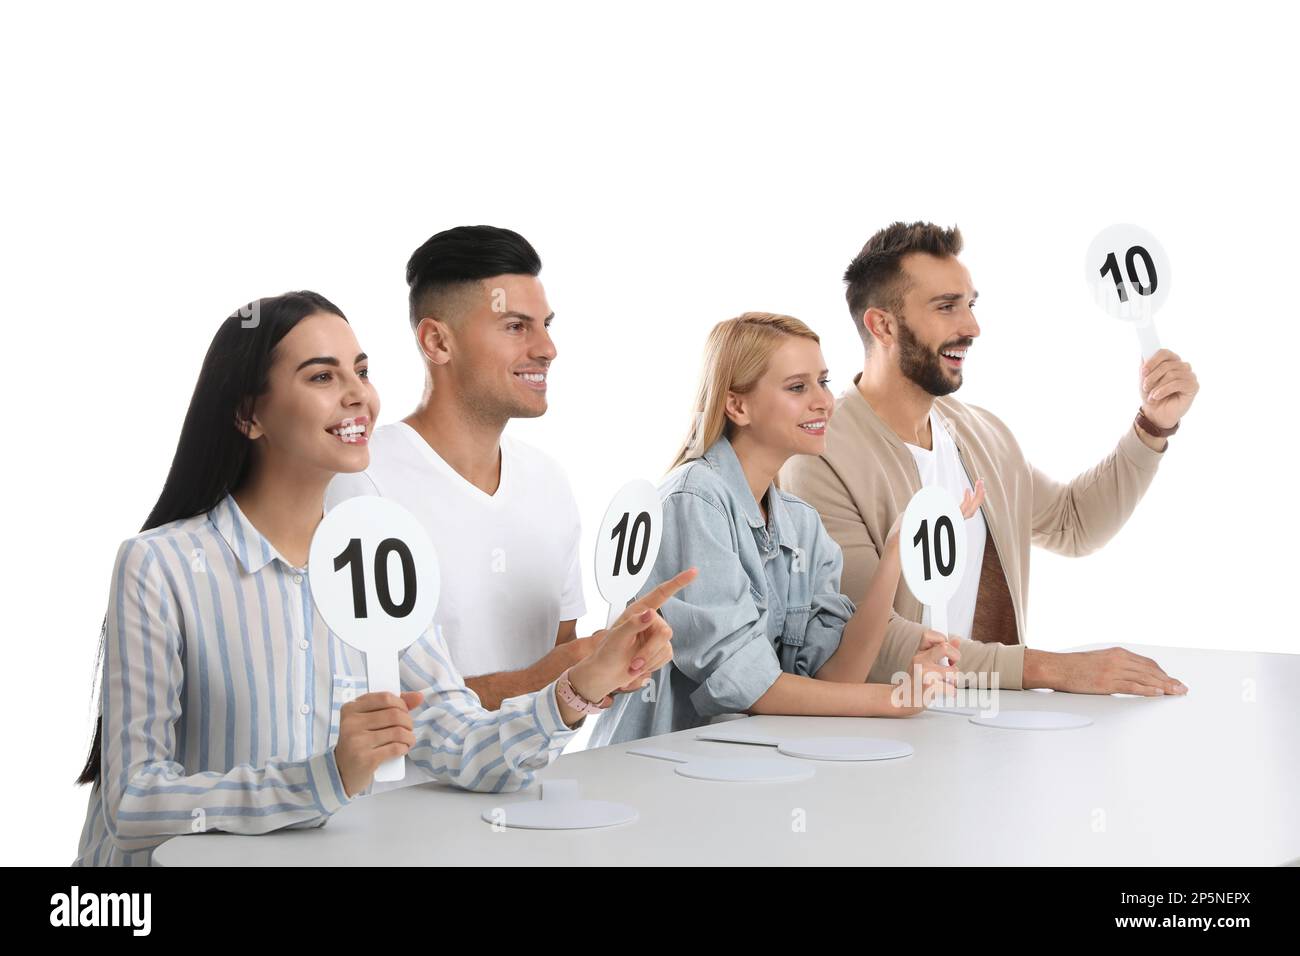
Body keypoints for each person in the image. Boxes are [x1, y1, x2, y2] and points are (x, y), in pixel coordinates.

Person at [73, 290, 692, 865]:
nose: (358, 396)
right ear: (248, 414)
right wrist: (325, 776)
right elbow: (132, 802)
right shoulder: (161, 566)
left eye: (362, 372)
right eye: (322, 376)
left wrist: (579, 687)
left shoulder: (380, 556)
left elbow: (466, 745)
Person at [782, 222, 1199, 696]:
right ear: (883, 325)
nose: (972, 327)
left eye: (970, 304)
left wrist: (1152, 426)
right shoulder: (818, 455)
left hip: (991, 734)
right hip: (890, 741)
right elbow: (862, 640)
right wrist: (1052, 669)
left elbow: (1074, 524)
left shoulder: (981, 435)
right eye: (946, 307)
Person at [592, 312, 969, 747]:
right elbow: (746, 685)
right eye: (797, 387)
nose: (824, 402)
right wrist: (893, 699)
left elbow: (835, 676)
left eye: (824, 382)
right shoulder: (693, 500)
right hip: (649, 774)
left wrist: (894, 556)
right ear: (737, 406)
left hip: (735, 774)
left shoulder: (801, 524)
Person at [327, 226, 594, 715]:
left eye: (546, 324)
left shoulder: (549, 481)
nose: (546, 348)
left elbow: (565, 674)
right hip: (406, 793)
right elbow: (358, 701)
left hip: (538, 788)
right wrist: (557, 677)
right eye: (516, 326)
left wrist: (608, 670)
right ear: (437, 342)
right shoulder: (360, 485)